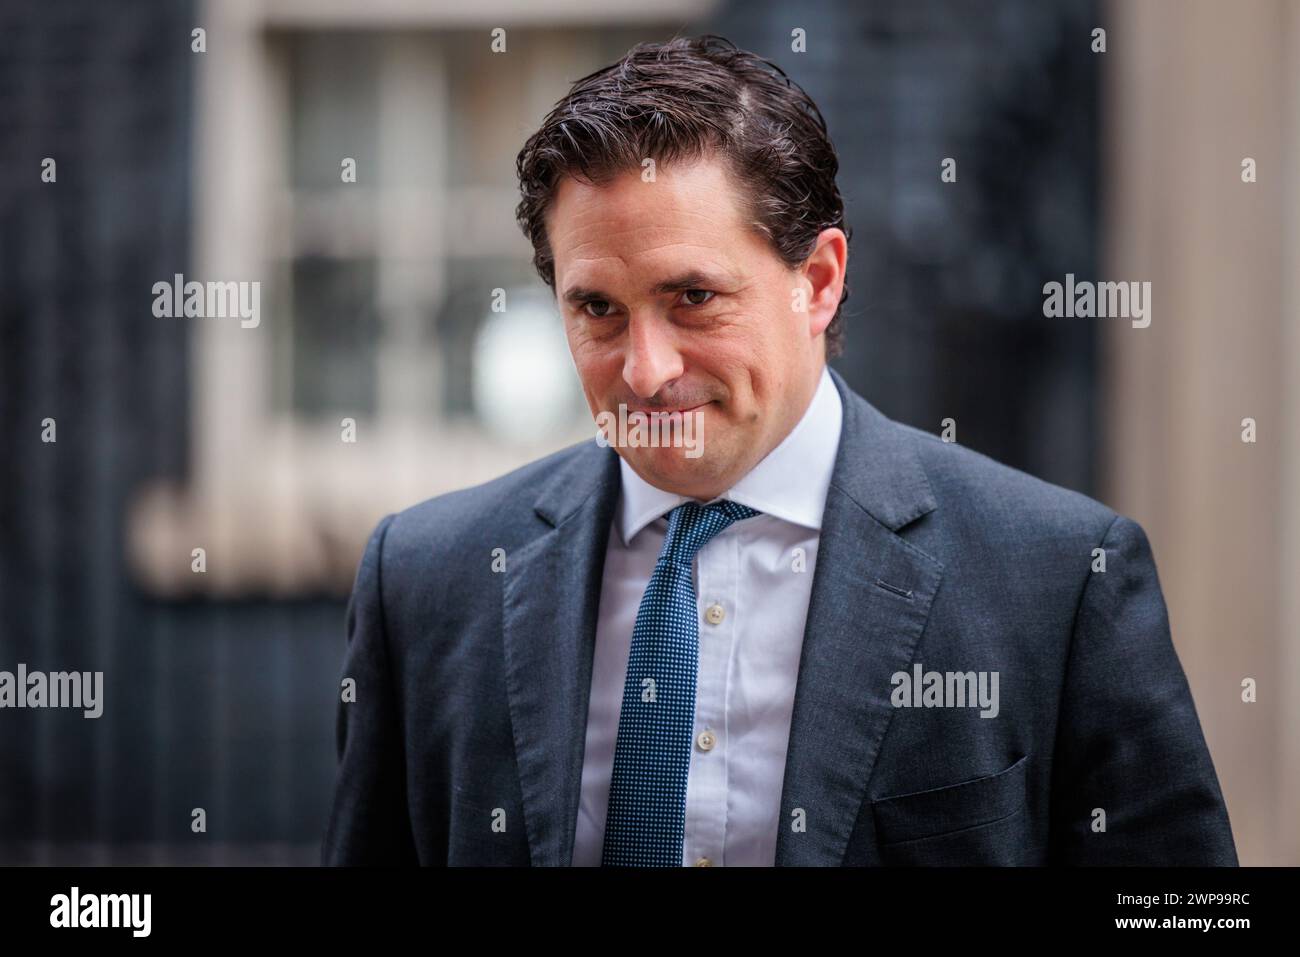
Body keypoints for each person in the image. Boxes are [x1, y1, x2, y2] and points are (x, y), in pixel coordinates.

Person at [322, 35, 1236, 866]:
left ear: (821, 281)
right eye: (597, 308)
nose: (645, 370)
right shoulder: (427, 580)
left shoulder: (1057, 579)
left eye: (692, 298)